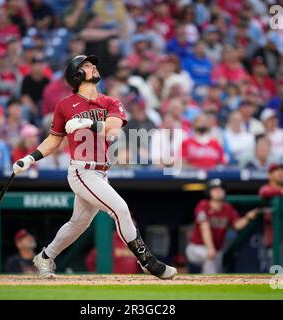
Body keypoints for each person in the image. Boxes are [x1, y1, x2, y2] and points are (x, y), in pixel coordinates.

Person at [13, 55, 177, 280]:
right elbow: (53, 140)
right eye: (87, 66)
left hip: (101, 172)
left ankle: (44, 256)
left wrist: (89, 123)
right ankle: (148, 261)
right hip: (82, 171)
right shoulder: (64, 105)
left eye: (93, 64)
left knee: (77, 224)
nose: (94, 67)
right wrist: (29, 159)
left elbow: (114, 130)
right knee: (120, 209)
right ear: (77, 75)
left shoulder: (110, 101)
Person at [186, 179, 259, 273]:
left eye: (220, 189)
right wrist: (210, 248)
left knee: (217, 271)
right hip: (197, 248)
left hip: (217, 250)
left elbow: (237, 225)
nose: (218, 192)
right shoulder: (203, 205)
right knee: (210, 259)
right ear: (209, 192)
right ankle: (209, 285)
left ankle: (207, 282)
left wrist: (247, 217)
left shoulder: (227, 208)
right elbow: (205, 228)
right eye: (215, 190)